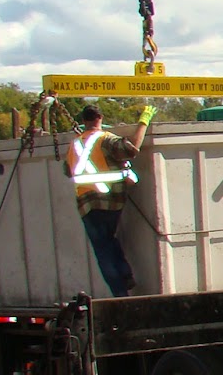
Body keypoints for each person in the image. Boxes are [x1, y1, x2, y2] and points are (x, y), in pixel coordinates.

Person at [65, 103, 155, 297]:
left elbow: (67, 170)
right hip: (112, 201)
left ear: (83, 121)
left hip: (86, 204)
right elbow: (132, 148)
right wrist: (143, 121)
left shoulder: (74, 144)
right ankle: (124, 274)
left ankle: (120, 292)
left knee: (102, 248)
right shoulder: (106, 139)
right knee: (108, 239)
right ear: (101, 118)